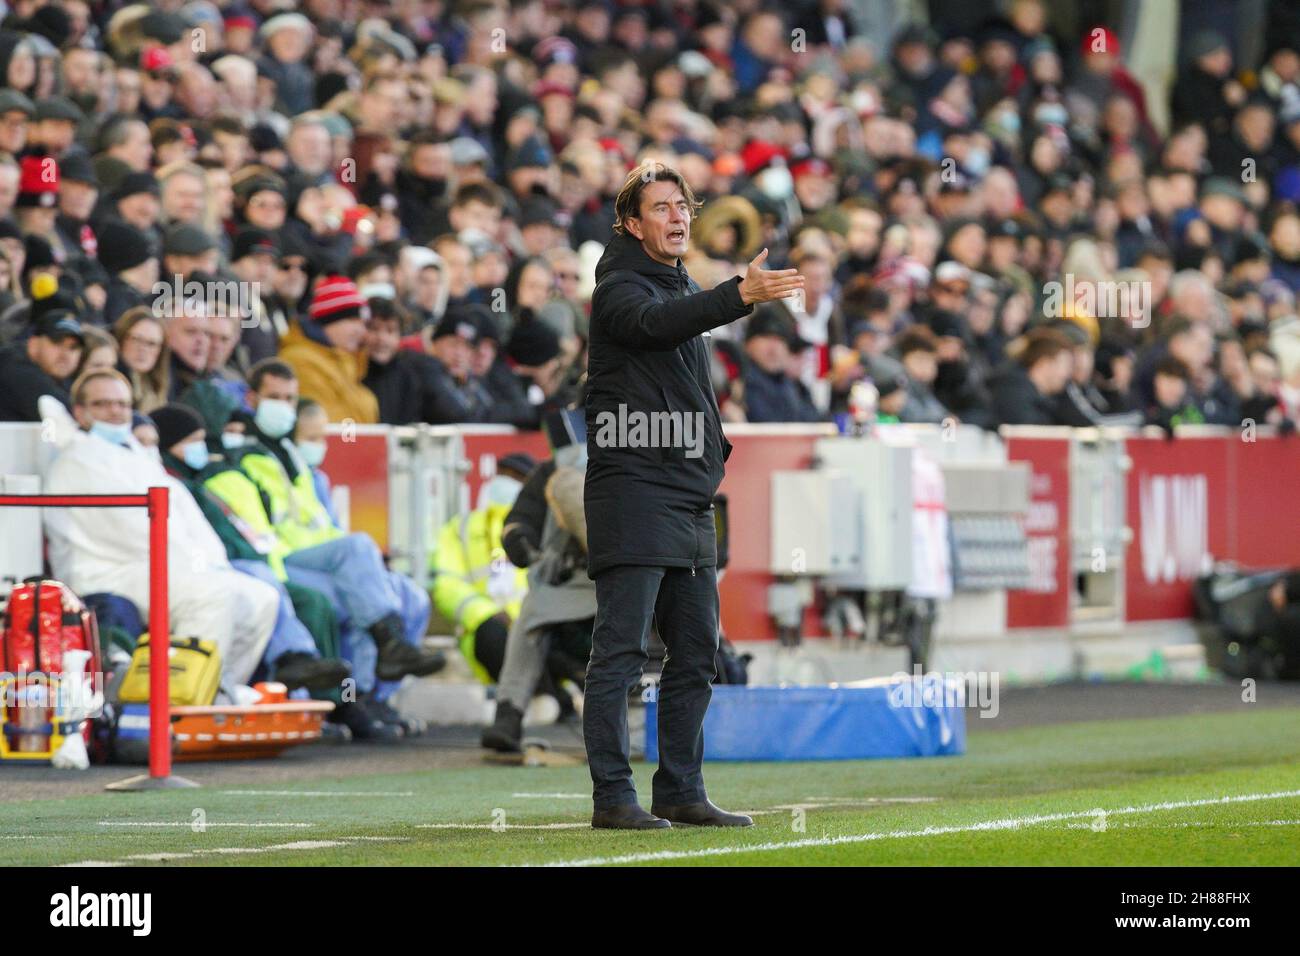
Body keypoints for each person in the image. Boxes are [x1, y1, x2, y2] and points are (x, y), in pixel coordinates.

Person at [582, 161, 803, 829]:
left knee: (697, 650)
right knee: (620, 652)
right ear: (629, 222)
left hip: (685, 493)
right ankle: (613, 799)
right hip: (634, 489)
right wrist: (738, 293)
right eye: (660, 208)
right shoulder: (618, 289)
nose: (678, 217)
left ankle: (680, 788)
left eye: (682, 206)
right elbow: (658, 325)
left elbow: (678, 326)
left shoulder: (674, 282)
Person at [43, 368, 278, 690]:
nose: (116, 412)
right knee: (212, 595)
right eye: (103, 404)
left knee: (261, 596)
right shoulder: (78, 459)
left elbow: (186, 513)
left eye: (123, 405)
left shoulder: (134, 453)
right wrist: (194, 566)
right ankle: (175, 699)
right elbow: (127, 533)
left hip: (160, 563)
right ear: (80, 412)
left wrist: (209, 563)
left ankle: (215, 688)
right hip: (110, 571)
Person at [430, 453, 534, 683]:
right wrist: (488, 615)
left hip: (534, 626)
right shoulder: (461, 528)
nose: (504, 481)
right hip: (486, 630)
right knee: (493, 636)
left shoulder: (540, 527)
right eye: (501, 474)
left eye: (515, 477)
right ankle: (548, 698)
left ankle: (553, 697)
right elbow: (447, 585)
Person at [0, 309, 83, 421]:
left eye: (73, 348)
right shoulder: (15, 367)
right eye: (57, 343)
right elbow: (71, 417)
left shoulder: (57, 376)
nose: (65, 355)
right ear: (33, 343)